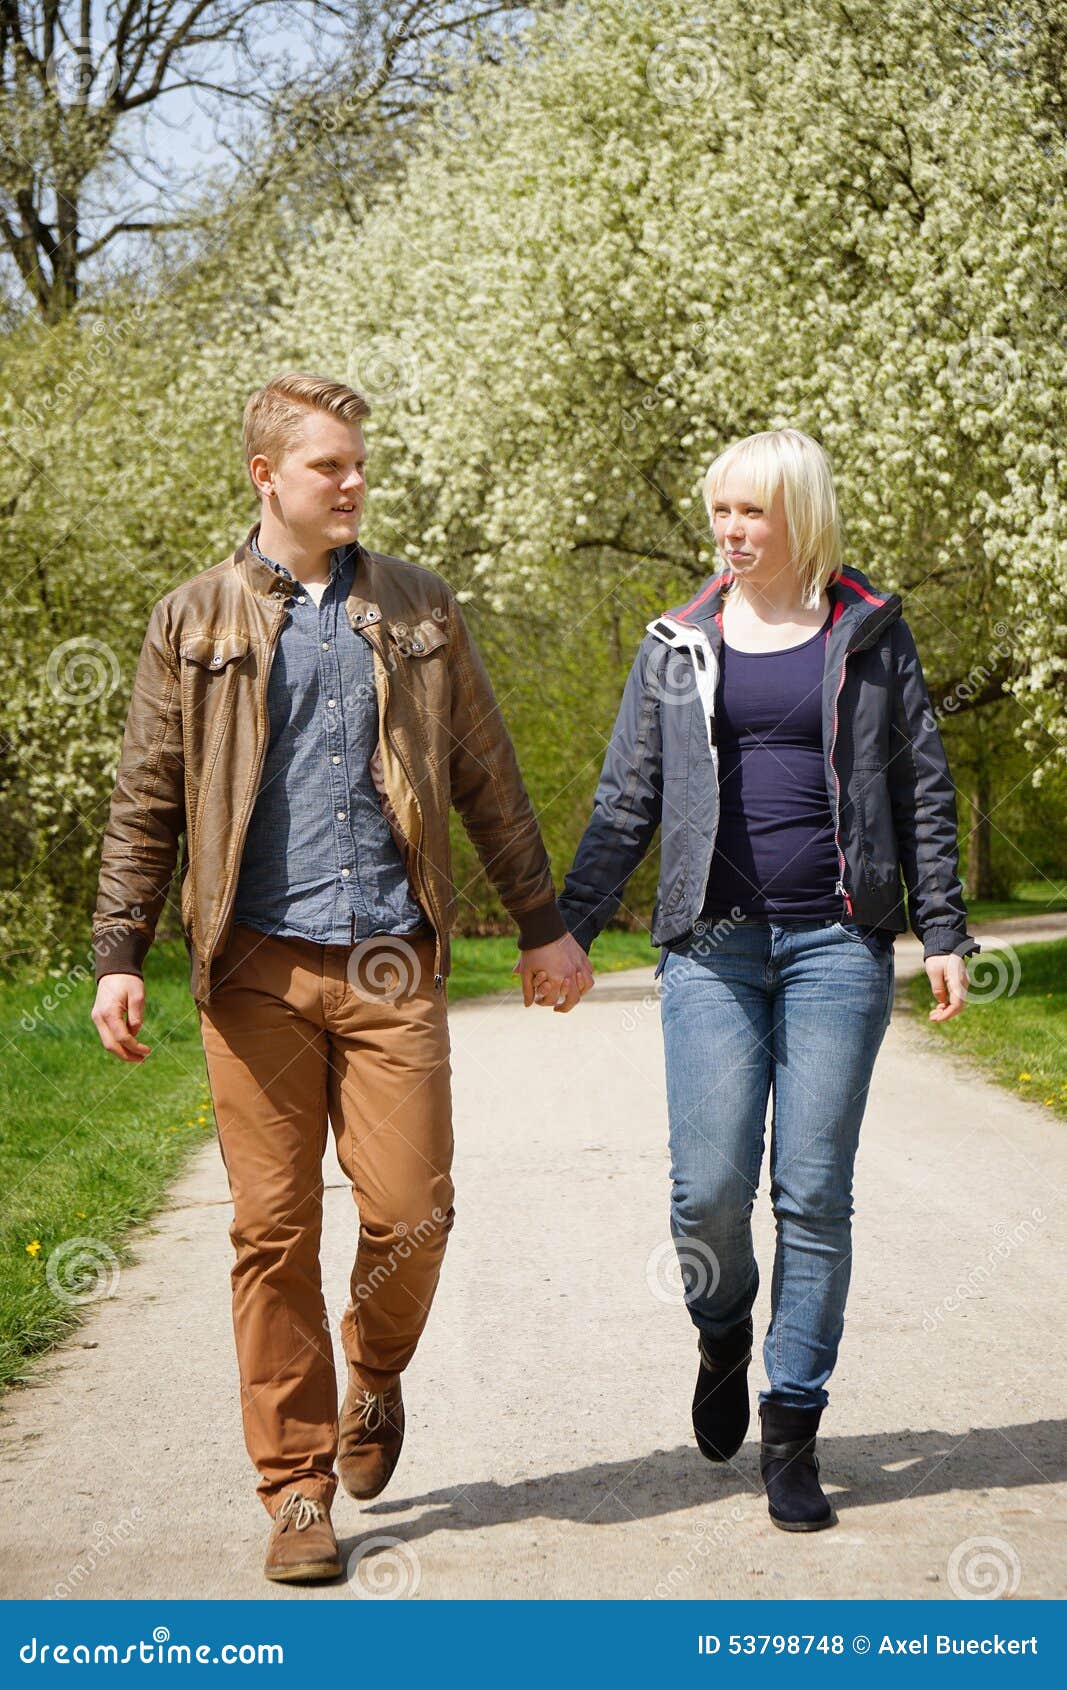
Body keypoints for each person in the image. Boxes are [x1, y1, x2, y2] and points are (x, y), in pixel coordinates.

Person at [90, 372, 592, 1583]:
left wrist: (543, 921)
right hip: (253, 966)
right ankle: (298, 1488)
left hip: (388, 958)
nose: (355, 480)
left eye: (359, 462)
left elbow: (482, 769)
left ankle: (375, 1375)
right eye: (331, 464)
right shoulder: (192, 617)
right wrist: (119, 953)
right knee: (271, 1230)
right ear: (266, 476)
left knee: (412, 1209)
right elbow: (148, 794)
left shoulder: (417, 607)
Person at [552, 427, 978, 1531]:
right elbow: (626, 797)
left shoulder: (868, 632)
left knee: (812, 1191)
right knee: (706, 1189)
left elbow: (921, 786)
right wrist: (568, 927)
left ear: (801, 515)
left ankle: (791, 1429)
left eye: (752, 511)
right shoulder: (677, 641)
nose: (730, 530)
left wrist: (941, 929)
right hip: (711, 947)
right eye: (720, 510)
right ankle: (721, 1329)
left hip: (837, 942)